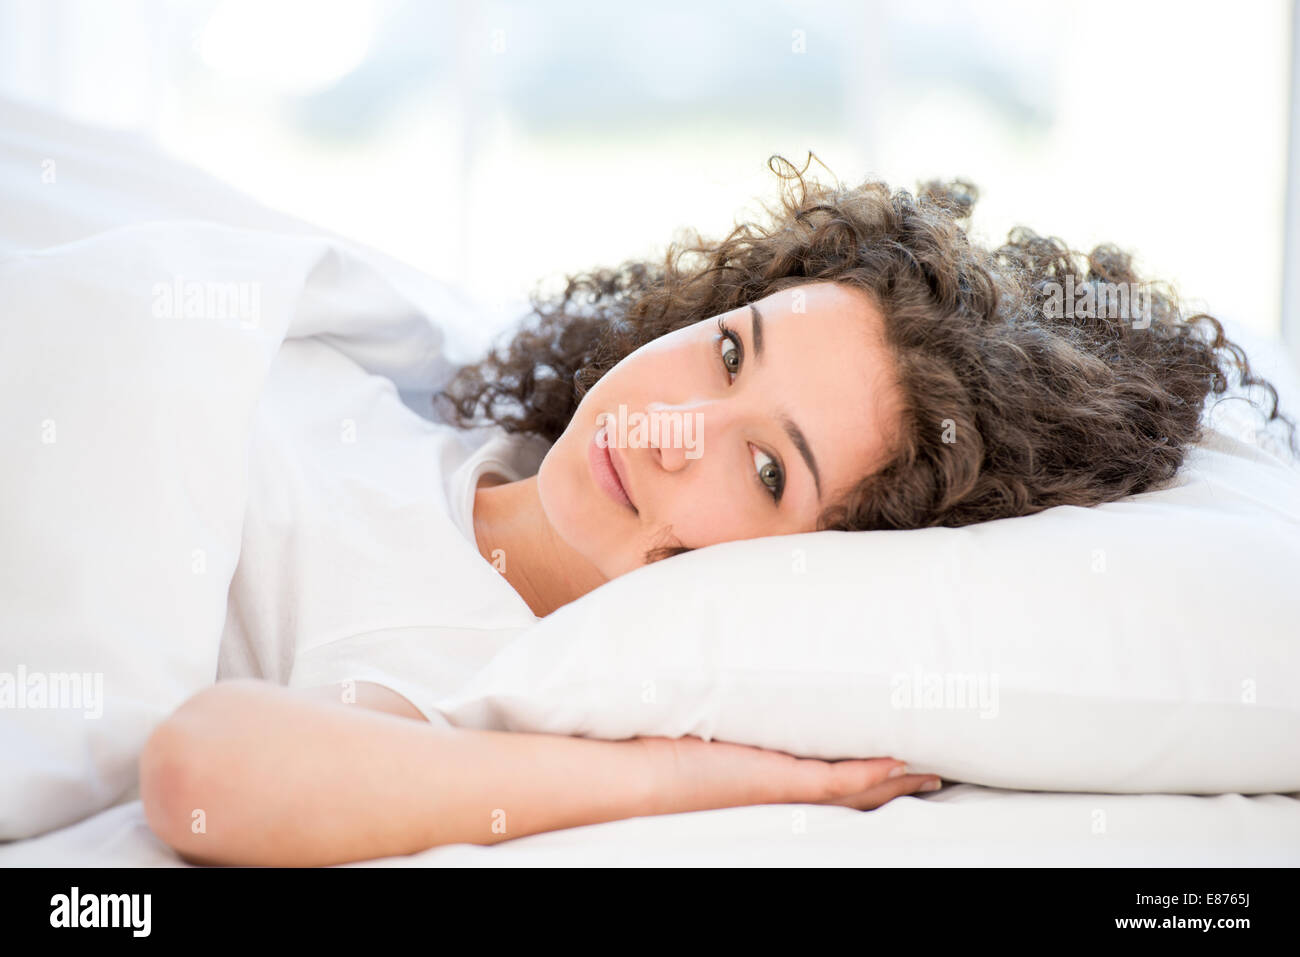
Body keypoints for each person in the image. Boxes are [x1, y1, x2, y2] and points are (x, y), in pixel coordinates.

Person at [141, 155, 1294, 867]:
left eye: (769, 472)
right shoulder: (451, 408)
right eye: (731, 351)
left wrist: (666, 780)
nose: (672, 429)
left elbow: (203, 778)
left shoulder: (479, 667)